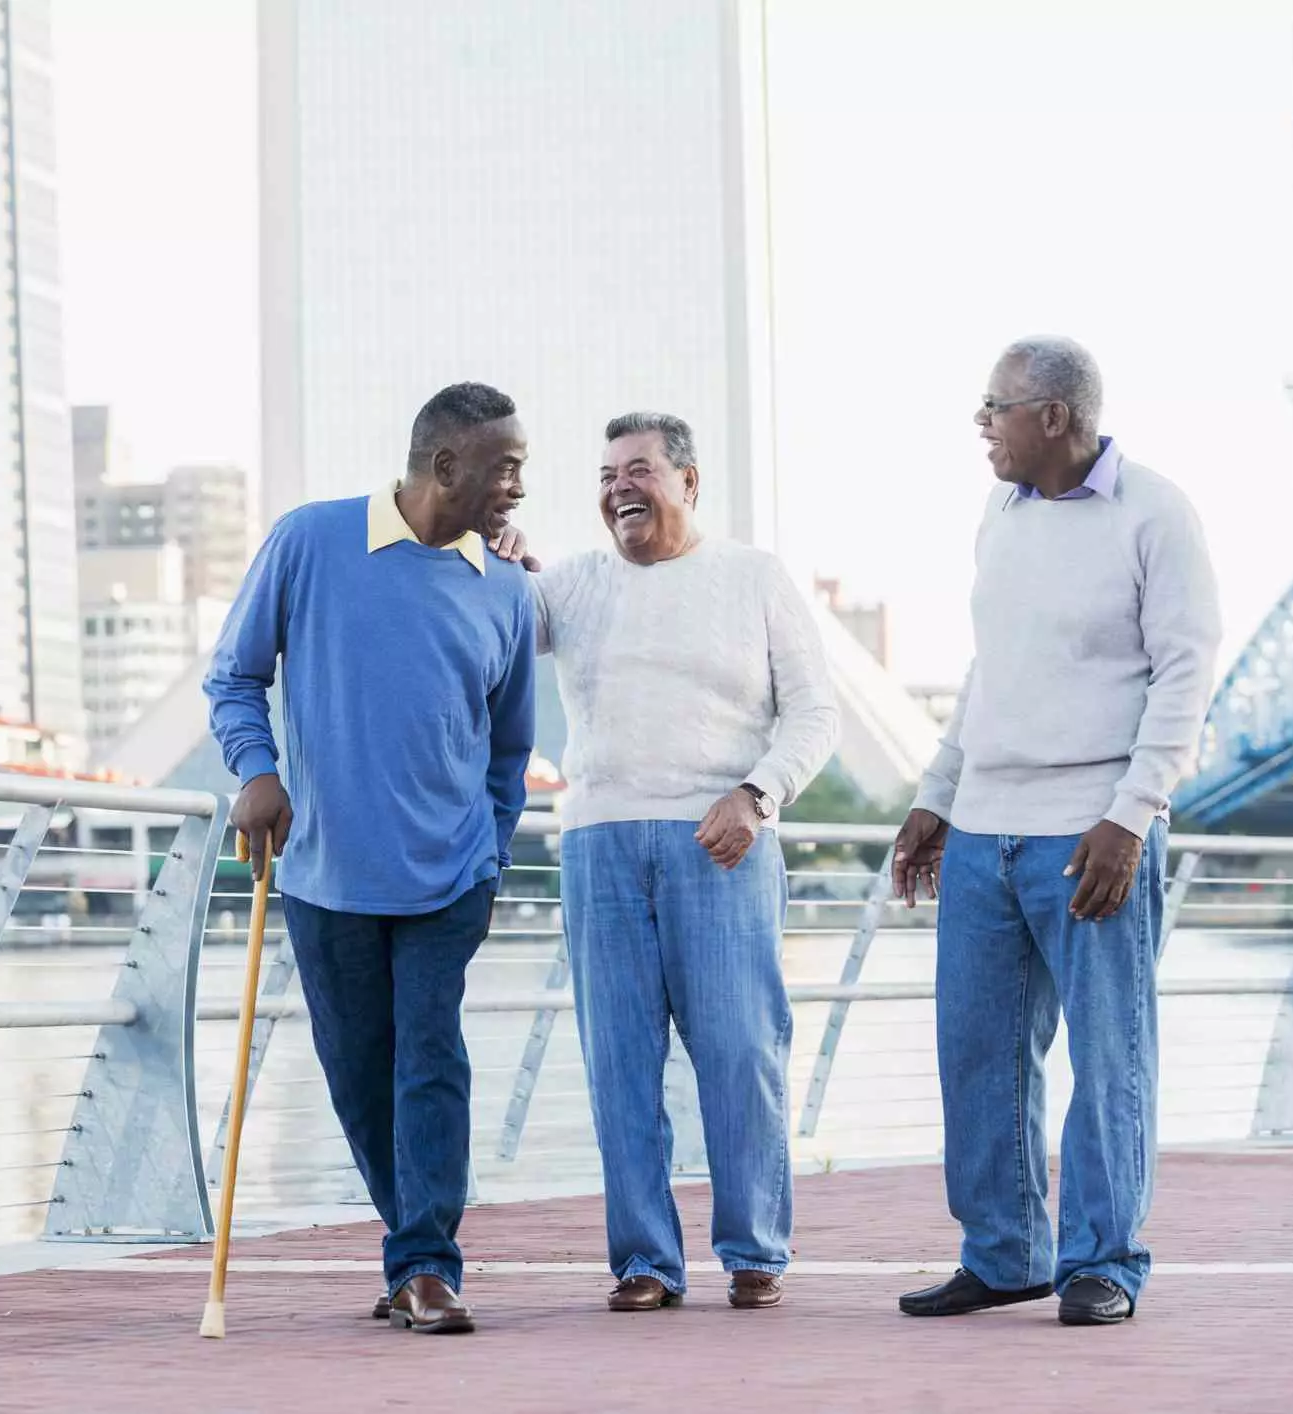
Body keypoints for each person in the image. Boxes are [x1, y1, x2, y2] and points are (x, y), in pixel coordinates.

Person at [892, 337, 1221, 1327]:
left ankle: (1102, 1263)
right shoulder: (1000, 512)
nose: (980, 424)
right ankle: (1001, 1255)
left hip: (1089, 833)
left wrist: (1132, 812)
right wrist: (936, 790)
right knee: (977, 1053)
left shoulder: (1154, 513)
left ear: (1053, 417)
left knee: (1108, 1052)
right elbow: (991, 667)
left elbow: (1185, 670)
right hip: (985, 827)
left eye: (993, 406)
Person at [202, 382, 537, 1336]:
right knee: (357, 1072)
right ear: (445, 466)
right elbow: (233, 675)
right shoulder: (309, 541)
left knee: (430, 1061)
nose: (517, 486)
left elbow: (507, 748)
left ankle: (428, 1265)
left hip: (451, 877)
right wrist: (257, 770)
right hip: (324, 874)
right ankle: (410, 1251)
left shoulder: (505, 588)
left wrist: (494, 848)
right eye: (504, 467)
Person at [502, 411, 838, 1312]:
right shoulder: (569, 585)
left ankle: (755, 1249)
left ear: (689, 483)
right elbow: (491, 624)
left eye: (639, 470)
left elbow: (815, 712)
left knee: (739, 1050)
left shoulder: (753, 577)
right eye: (608, 473)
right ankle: (645, 1261)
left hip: (718, 839)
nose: (619, 487)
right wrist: (500, 553)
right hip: (599, 838)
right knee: (619, 1062)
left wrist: (757, 794)